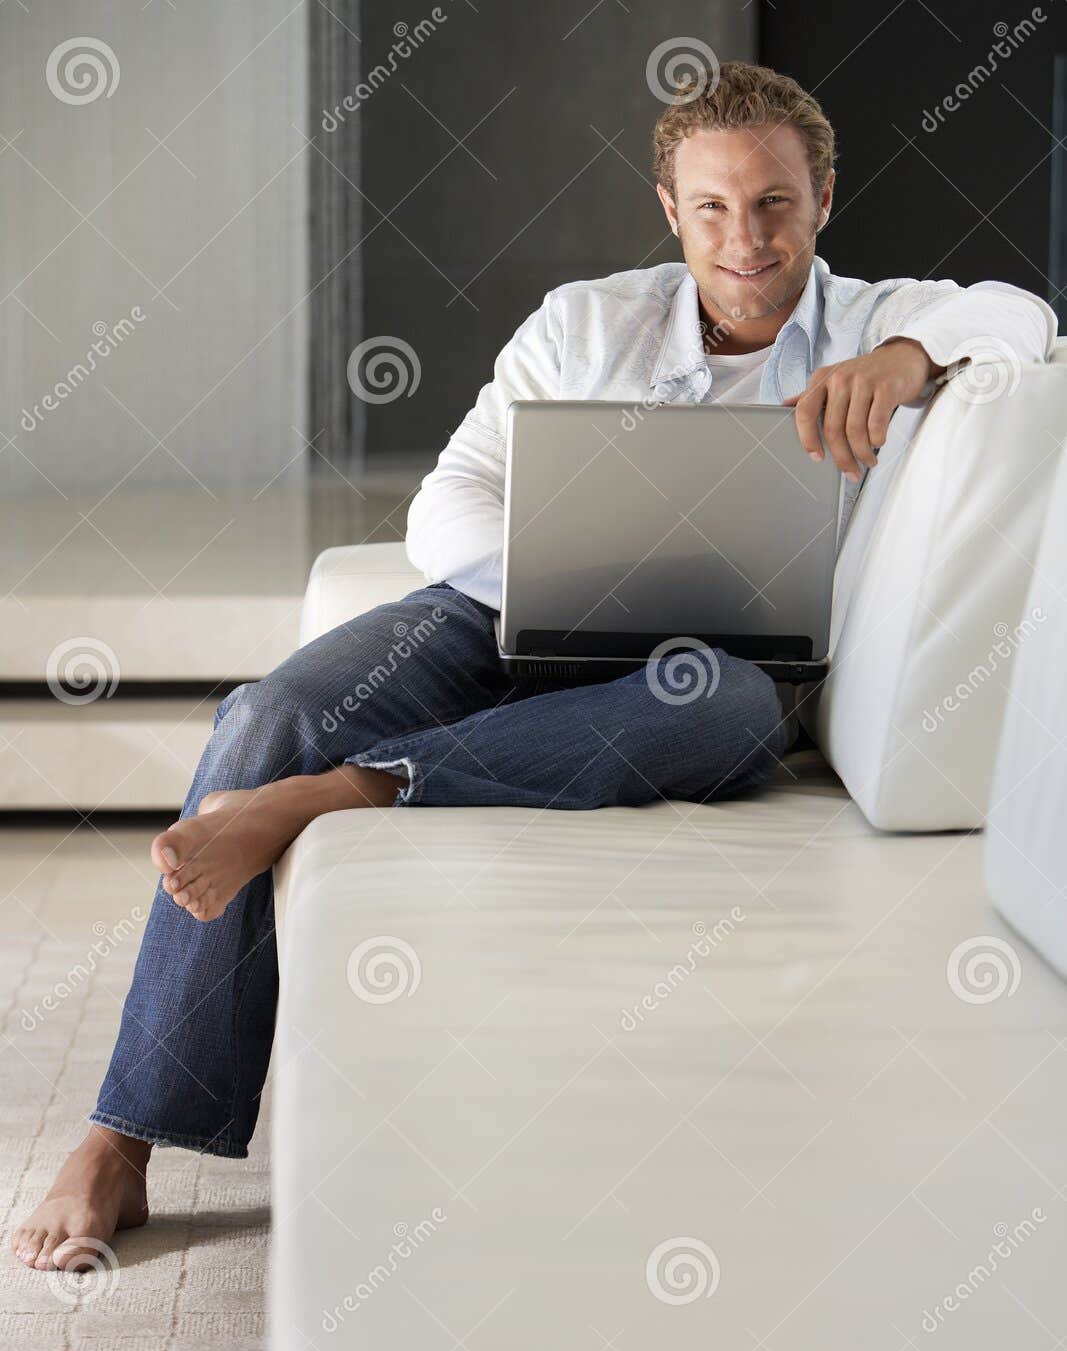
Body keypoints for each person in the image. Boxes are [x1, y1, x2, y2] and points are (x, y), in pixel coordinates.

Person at [12, 60, 1054, 1271]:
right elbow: (446, 503)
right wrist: (570, 579)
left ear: (821, 197)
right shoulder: (583, 322)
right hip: (498, 618)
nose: (747, 238)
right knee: (265, 716)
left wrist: (909, 358)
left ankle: (343, 792)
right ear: (669, 210)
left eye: (774, 203)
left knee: (724, 706)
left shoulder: (879, 317)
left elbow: (1022, 319)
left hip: (691, 676)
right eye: (712, 208)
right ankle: (121, 1139)